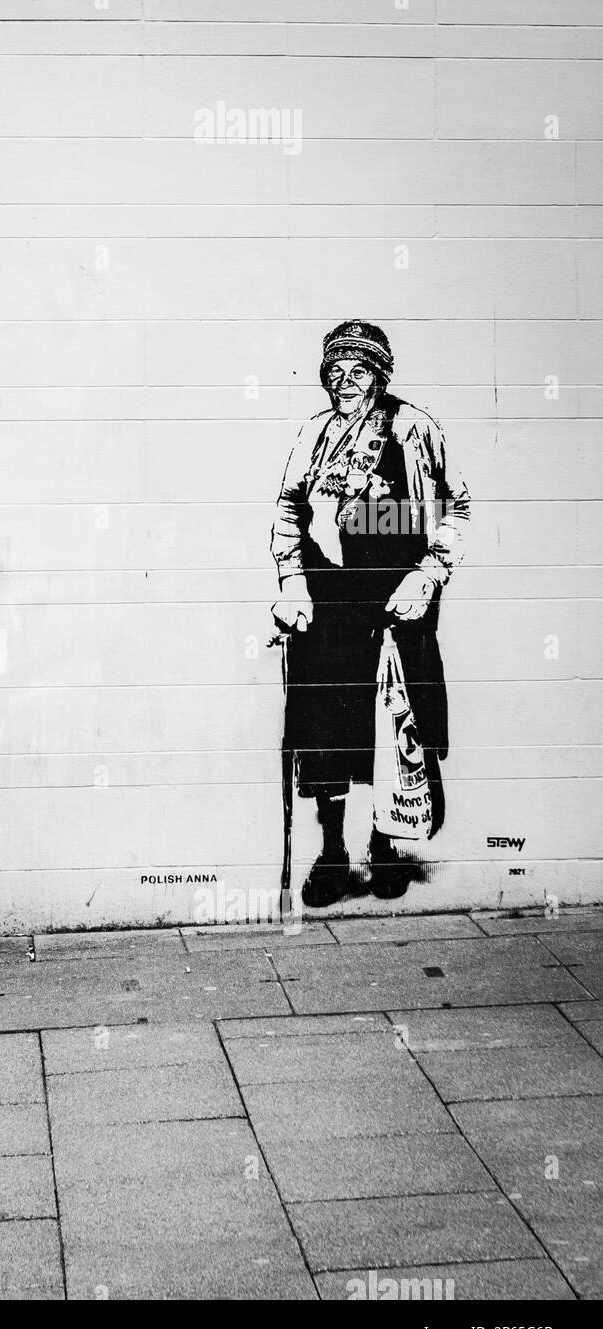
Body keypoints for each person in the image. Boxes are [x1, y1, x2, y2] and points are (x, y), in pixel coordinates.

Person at [270, 320, 471, 909]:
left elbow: (455, 507)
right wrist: (291, 583)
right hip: (326, 603)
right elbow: (288, 508)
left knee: (394, 727)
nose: (345, 381)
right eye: (336, 371)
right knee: (324, 726)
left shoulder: (413, 427)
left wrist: (428, 574)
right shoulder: (315, 432)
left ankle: (384, 844)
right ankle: (332, 851)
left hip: (395, 600)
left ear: (379, 374)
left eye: (359, 370)